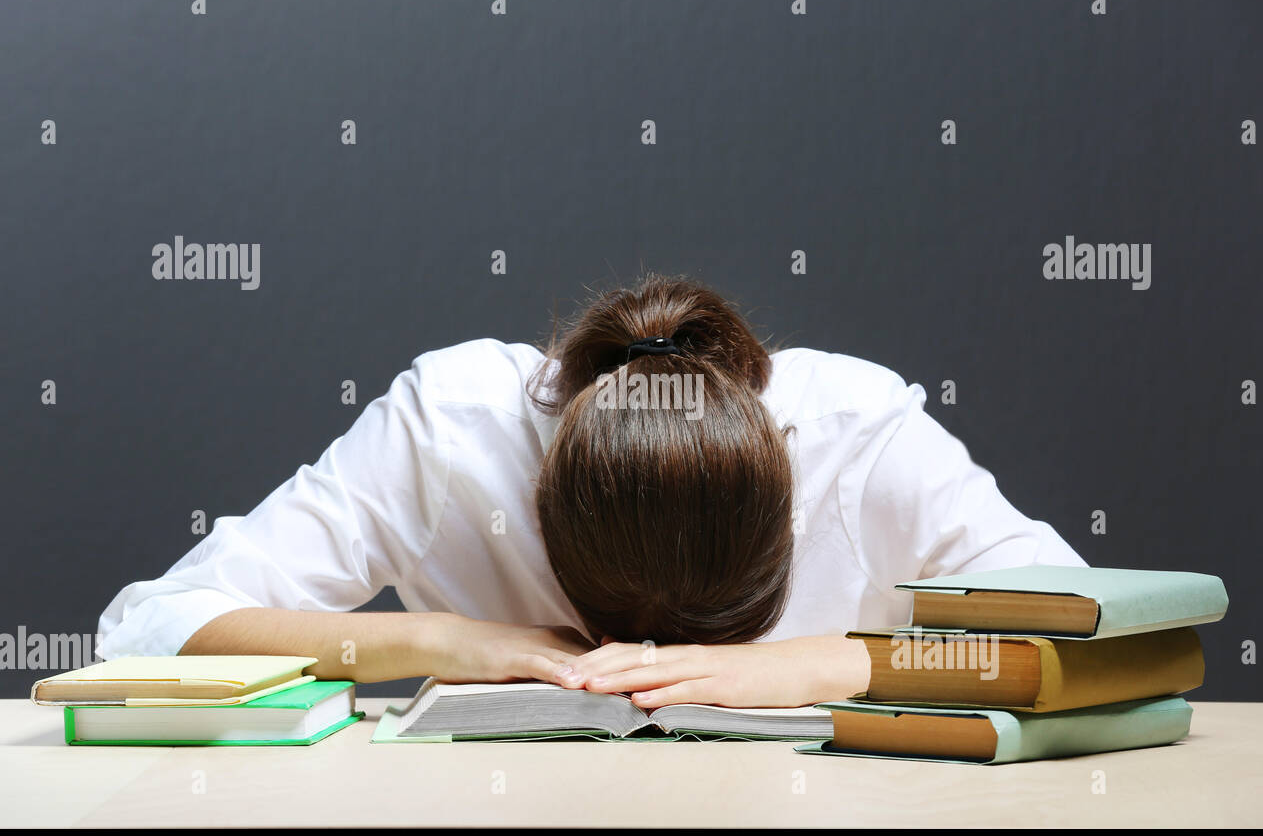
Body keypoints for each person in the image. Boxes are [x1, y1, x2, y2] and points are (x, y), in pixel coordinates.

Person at [97, 273, 1086, 708]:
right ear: (544, 495)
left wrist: (842, 662)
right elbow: (149, 626)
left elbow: (1104, 633)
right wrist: (442, 642)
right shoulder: (457, 428)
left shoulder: (855, 440)